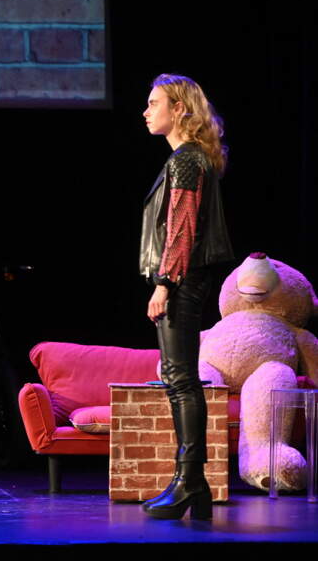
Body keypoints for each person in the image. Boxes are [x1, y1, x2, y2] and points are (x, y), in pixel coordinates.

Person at [139, 73, 233, 520]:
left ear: (179, 109)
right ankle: (190, 484)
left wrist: (164, 283)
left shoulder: (187, 160)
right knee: (179, 379)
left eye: (155, 102)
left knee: (181, 379)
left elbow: (181, 231)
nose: (146, 110)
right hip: (187, 278)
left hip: (182, 279)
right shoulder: (189, 159)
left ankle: (191, 481)